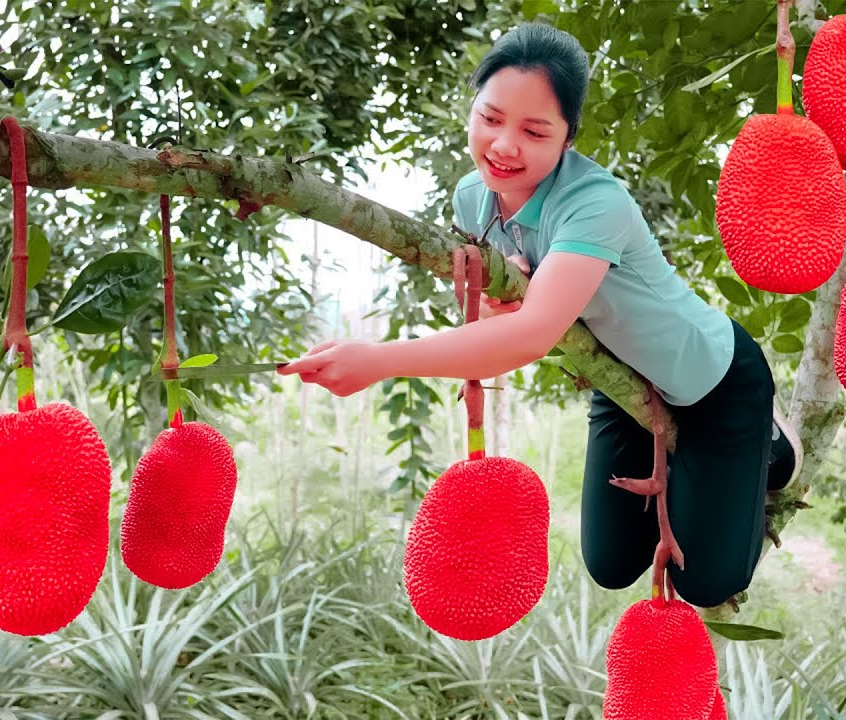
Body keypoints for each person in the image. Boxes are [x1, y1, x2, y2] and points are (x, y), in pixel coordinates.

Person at [276, 22, 802, 609]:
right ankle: (703, 479)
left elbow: (532, 333)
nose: (503, 146)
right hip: (620, 374)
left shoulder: (594, 202)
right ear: (472, 109)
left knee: (707, 582)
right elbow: (505, 308)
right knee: (611, 565)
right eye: (491, 118)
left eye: (534, 131)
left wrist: (378, 360)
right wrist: (500, 297)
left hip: (712, 378)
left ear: (567, 140)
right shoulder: (472, 198)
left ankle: (770, 446)